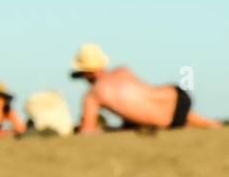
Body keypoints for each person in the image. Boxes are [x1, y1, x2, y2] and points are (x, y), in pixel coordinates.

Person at [70, 43, 220, 132]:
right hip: (174, 94)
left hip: (166, 120)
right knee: (180, 115)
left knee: (173, 119)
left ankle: (211, 126)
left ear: (86, 73)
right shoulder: (122, 71)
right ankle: (215, 126)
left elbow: (87, 130)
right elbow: (140, 100)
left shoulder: (93, 95)